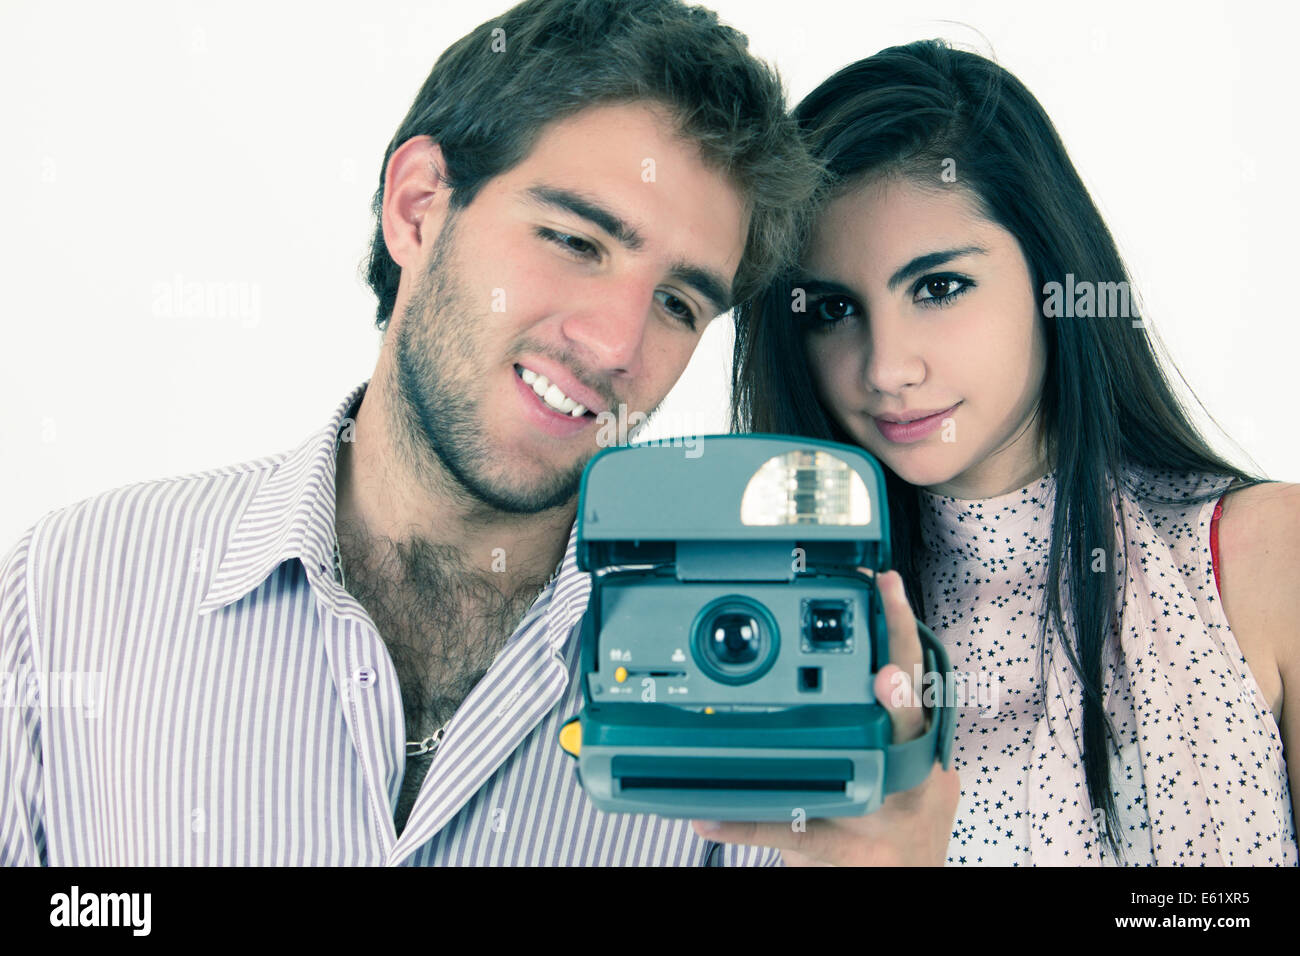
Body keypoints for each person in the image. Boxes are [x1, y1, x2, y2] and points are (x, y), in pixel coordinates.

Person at [0, 0, 834, 866]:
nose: (618, 345)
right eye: (576, 241)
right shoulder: (67, 593)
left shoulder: (751, 694)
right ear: (418, 208)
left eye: (677, 303)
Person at [724, 39, 1299, 865]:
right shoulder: (780, 631)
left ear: (1050, 274)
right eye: (833, 310)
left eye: (938, 287)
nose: (887, 368)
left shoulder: (1269, 559)